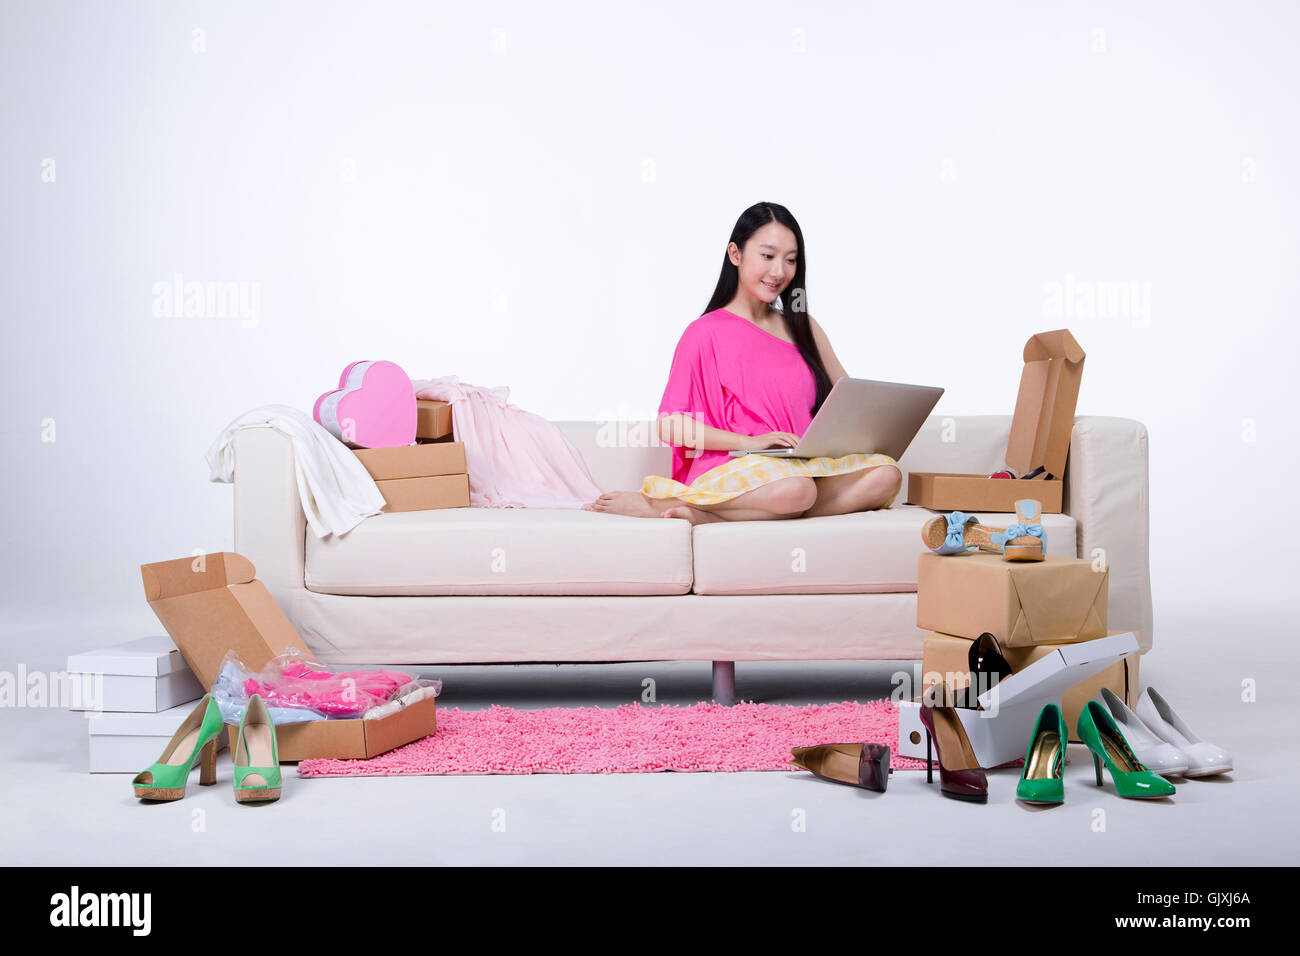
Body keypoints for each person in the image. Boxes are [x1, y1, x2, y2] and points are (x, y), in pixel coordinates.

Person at [584, 202, 902, 524]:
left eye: (790, 260)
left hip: (802, 466)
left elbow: (847, 399)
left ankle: (719, 513)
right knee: (797, 490)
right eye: (768, 256)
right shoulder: (704, 332)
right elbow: (671, 424)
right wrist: (748, 442)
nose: (779, 272)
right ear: (735, 254)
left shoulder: (804, 327)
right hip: (736, 467)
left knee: (885, 475)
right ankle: (677, 503)